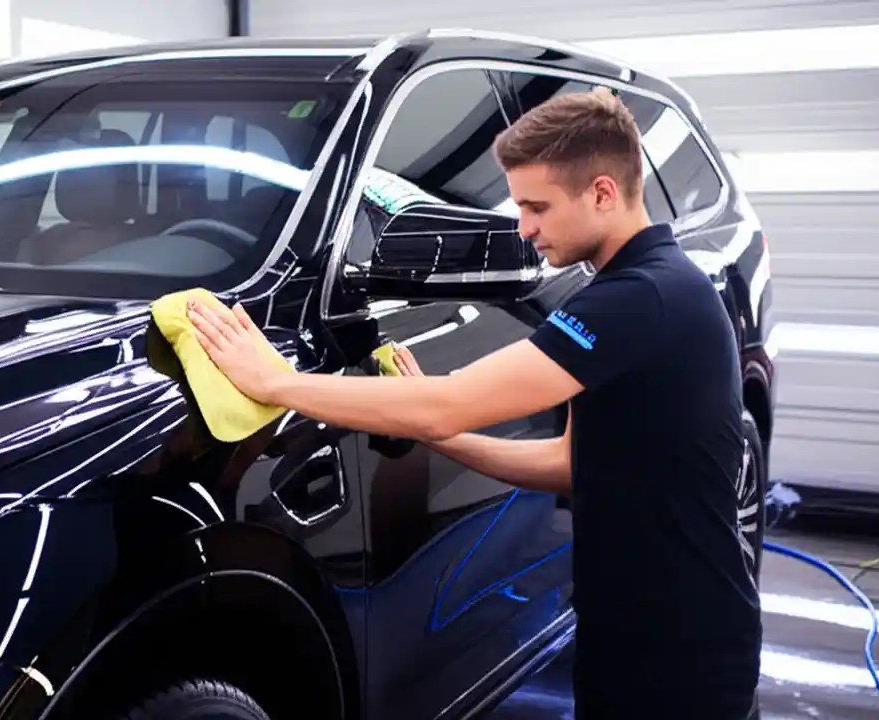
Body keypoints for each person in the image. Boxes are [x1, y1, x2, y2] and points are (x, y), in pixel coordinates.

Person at [186, 88, 762, 719]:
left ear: (602, 193)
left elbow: (448, 403)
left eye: (537, 207)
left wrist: (276, 383)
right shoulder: (640, 290)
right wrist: (441, 436)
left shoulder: (640, 299)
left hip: (677, 659)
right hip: (637, 631)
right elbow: (573, 462)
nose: (524, 228)